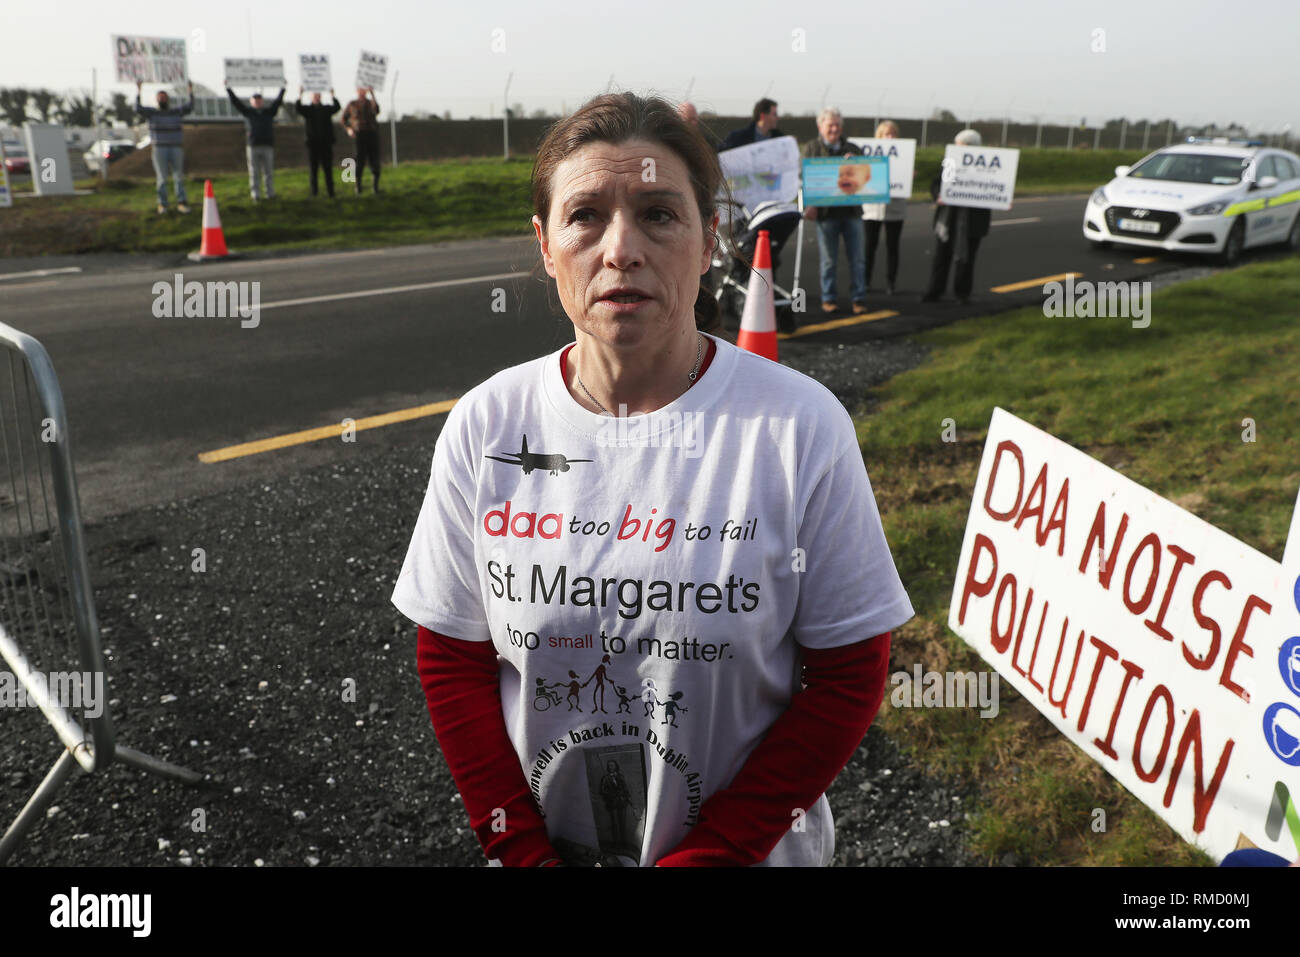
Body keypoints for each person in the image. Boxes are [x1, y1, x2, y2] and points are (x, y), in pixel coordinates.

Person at [393, 92, 914, 868]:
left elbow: (849, 672)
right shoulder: (486, 423)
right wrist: (516, 844)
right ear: (545, 245)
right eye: (586, 216)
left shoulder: (801, 427)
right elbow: (451, 652)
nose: (621, 248)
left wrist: (719, 851)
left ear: (709, 242)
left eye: (659, 214)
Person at [802, 107, 867, 314]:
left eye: (837, 124)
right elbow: (803, 179)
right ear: (820, 126)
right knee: (829, 260)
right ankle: (828, 298)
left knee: (857, 259)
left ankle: (859, 298)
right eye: (830, 125)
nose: (834, 129)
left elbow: (865, 178)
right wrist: (808, 206)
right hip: (826, 214)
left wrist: (854, 164)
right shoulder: (811, 148)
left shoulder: (853, 149)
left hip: (851, 213)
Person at [922, 128, 992, 304]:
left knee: (966, 257)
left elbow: (992, 187)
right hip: (948, 216)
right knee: (941, 255)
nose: (957, 148)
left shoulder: (985, 166)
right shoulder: (950, 163)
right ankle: (935, 290)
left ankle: (962, 293)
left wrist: (1001, 199)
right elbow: (937, 183)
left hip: (972, 219)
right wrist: (938, 195)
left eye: (961, 145)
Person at [135, 79, 194, 214]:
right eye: (160, 97)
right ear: (157, 100)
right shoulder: (152, 113)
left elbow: (189, 107)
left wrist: (190, 90)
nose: (162, 99)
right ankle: (163, 204)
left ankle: (182, 202)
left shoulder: (176, 112)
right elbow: (137, 108)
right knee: (161, 177)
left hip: (175, 147)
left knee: (178, 175)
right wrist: (139, 90)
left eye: (164, 97)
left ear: (168, 99)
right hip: (159, 148)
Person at [862, 120, 907, 296]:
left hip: (895, 208)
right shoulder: (870, 154)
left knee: (892, 247)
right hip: (871, 208)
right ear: (879, 136)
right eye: (886, 134)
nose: (890, 137)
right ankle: (864, 281)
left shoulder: (903, 155)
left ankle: (891, 282)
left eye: (893, 133)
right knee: (868, 247)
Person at [227, 86, 286, 202]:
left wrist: (283, 89)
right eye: (255, 99)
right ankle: (256, 195)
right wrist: (228, 89)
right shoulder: (248, 112)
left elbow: (278, 102)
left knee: (268, 171)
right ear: (251, 101)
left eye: (259, 99)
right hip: (253, 145)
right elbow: (236, 102)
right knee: (254, 172)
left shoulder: (269, 112)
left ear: (262, 101)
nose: (257, 101)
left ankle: (270, 194)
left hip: (267, 145)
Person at [295, 87, 342, 198]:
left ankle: (331, 192)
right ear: (311, 97)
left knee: (328, 169)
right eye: (314, 96)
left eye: (318, 95)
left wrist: (332, 95)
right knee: (313, 170)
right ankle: (314, 192)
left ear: (320, 97)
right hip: (313, 144)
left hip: (326, 144)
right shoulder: (308, 110)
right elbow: (298, 108)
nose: (316, 97)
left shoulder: (326, 109)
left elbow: (337, 107)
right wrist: (300, 95)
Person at [341, 87, 382, 195]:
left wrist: (373, 94)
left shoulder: (370, 103)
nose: (362, 92)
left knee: (374, 161)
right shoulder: (352, 104)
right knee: (359, 161)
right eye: (360, 90)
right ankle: (358, 187)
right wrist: (349, 129)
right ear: (357, 91)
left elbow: (377, 110)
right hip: (359, 135)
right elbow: (343, 119)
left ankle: (375, 187)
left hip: (371, 134)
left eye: (364, 90)